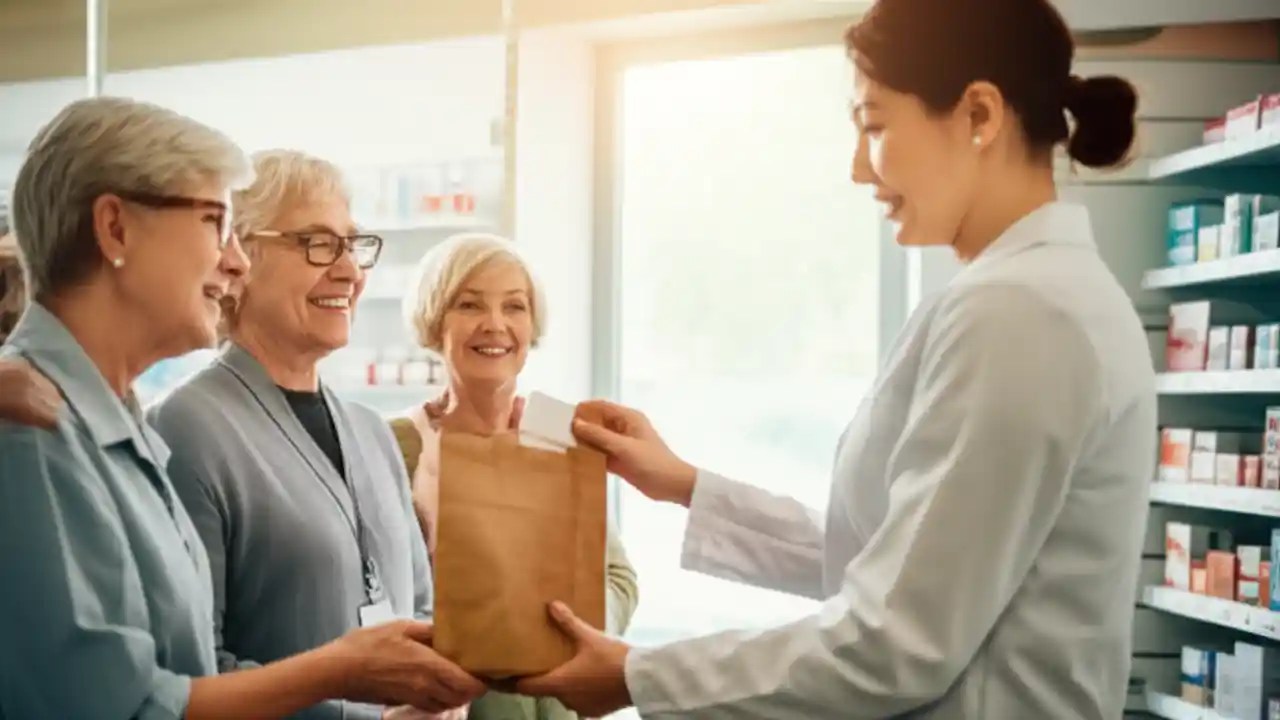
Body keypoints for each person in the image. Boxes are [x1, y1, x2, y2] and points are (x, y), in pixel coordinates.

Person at [516, 0, 1157, 718]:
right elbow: (895, 558)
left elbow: (896, 639)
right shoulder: (1027, 297)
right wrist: (686, 486)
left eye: (874, 125)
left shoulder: (1021, 313)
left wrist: (642, 675)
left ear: (979, 115)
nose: (859, 168)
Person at [0, 97, 485, 719]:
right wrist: (340, 672)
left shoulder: (113, 427)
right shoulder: (31, 429)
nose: (232, 261)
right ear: (115, 228)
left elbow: (179, 663)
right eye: (212, 223)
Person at [145, 149, 472, 720]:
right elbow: (192, 668)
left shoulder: (371, 433)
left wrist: (442, 699)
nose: (349, 270)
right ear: (239, 256)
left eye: (353, 244)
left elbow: (420, 605)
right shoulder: (186, 428)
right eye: (318, 244)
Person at [390, 232, 641, 720]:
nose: (495, 325)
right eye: (470, 305)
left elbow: (618, 576)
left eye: (515, 307)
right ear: (435, 320)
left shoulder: (559, 437)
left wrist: (565, 633)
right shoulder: (395, 446)